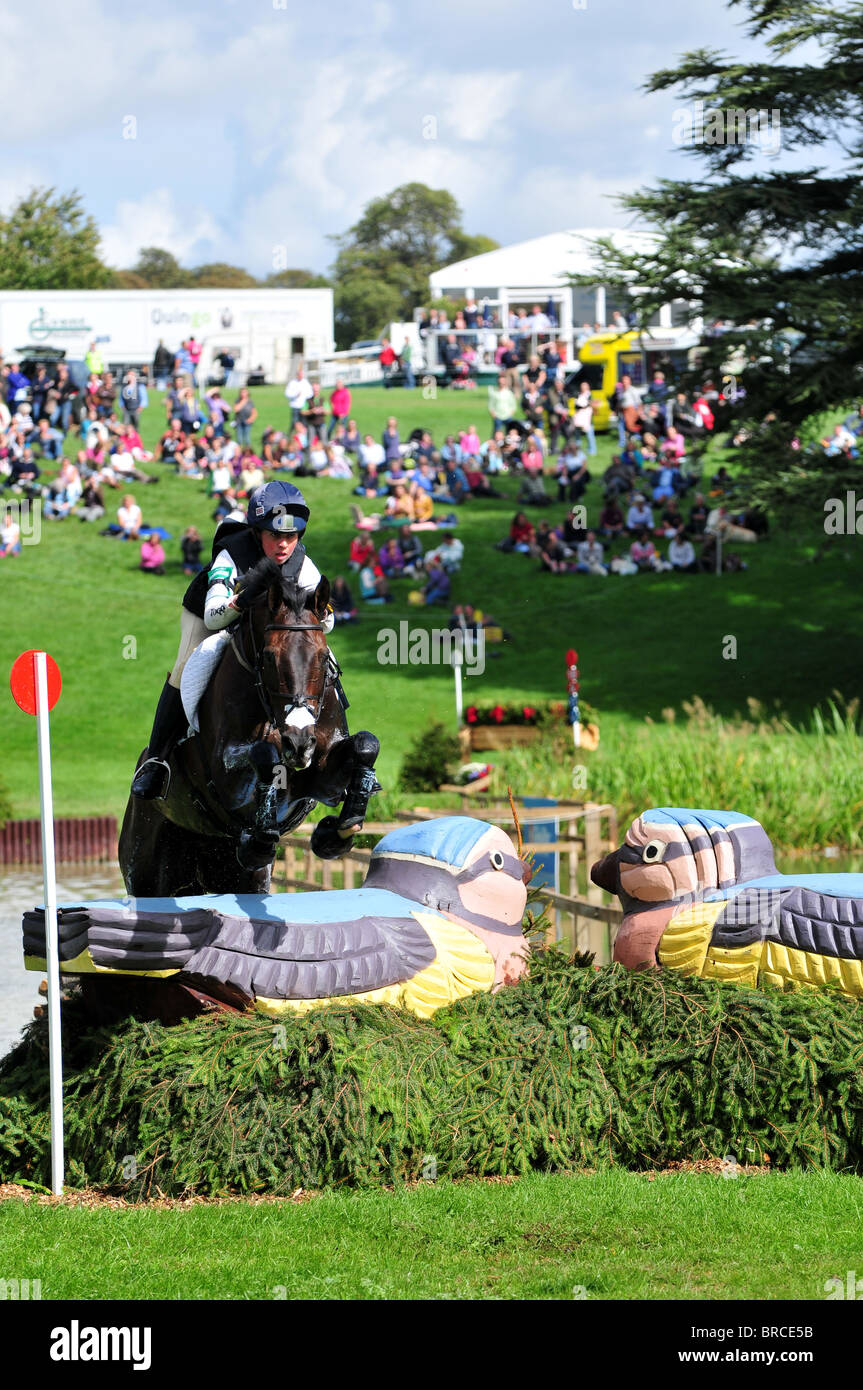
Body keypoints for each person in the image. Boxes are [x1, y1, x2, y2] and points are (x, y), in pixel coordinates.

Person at [131, 482, 335, 799]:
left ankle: (333, 738)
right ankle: (156, 760)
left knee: (318, 656)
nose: (284, 545)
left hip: (263, 629)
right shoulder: (232, 554)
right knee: (187, 664)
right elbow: (214, 616)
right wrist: (243, 598)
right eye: (274, 535)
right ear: (257, 532)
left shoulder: (301, 562)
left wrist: (318, 615)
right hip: (208, 615)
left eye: (291, 536)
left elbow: (329, 621)